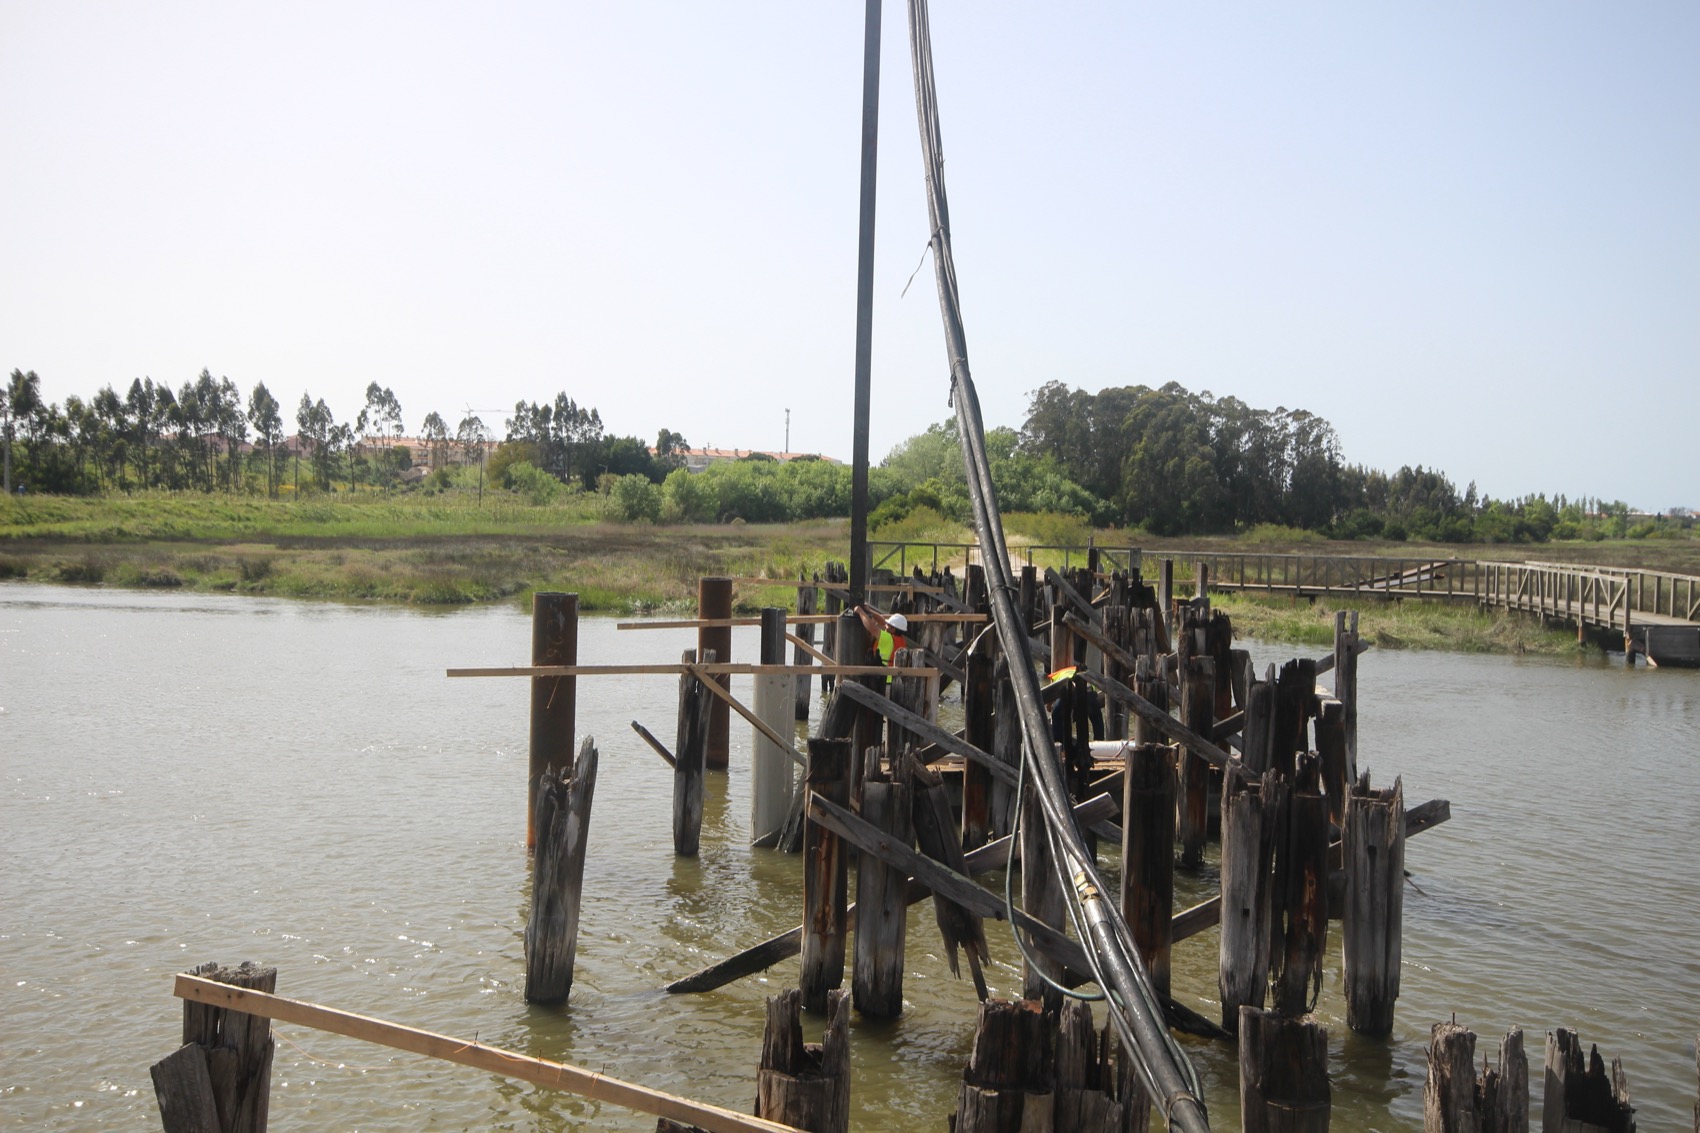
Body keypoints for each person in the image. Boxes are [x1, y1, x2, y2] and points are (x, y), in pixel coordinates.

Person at [851, 604, 909, 670]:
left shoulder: (888, 639)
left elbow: (871, 627)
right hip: (890, 675)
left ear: (893, 629)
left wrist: (860, 611)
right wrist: (869, 611)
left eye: (888, 625)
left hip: (882, 675)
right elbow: (883, 622)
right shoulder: (900, 640)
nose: (885, 626)